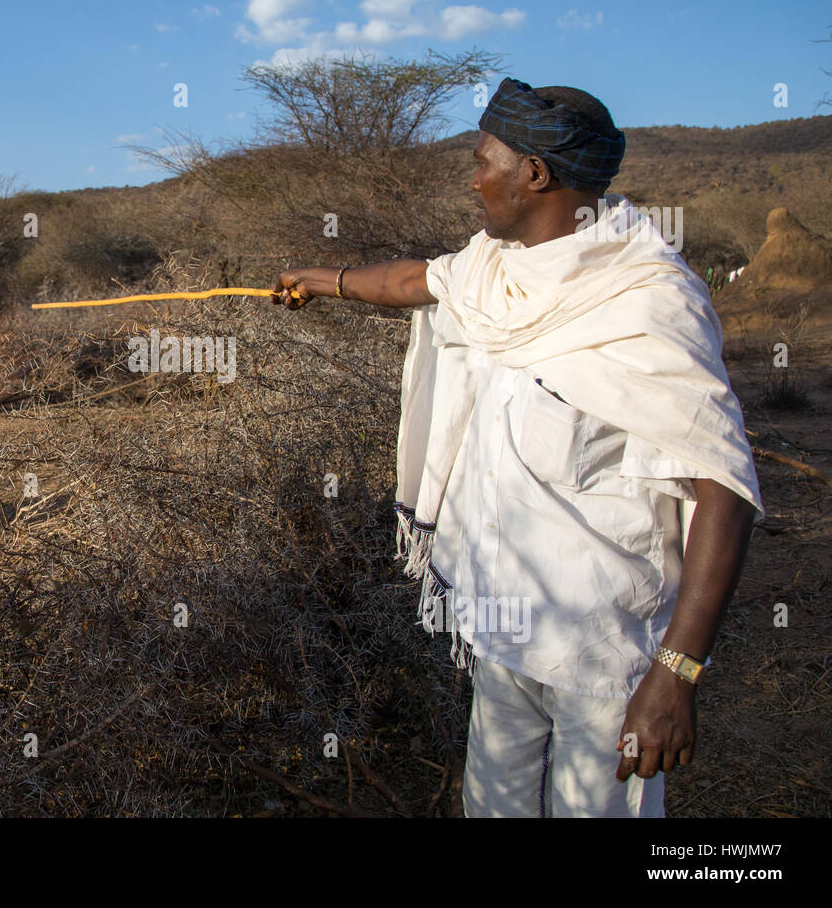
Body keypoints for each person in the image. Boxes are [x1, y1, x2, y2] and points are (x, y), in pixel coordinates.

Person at [270, 78, 762, 818]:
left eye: (482, 162)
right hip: (502, 629)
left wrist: (676, 672)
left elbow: (724, 487)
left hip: (605, 655)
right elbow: (413, 281)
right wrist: (325, 279)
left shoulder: (647, 300)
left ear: (534, 174)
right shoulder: (491, 270)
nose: (474, 182)